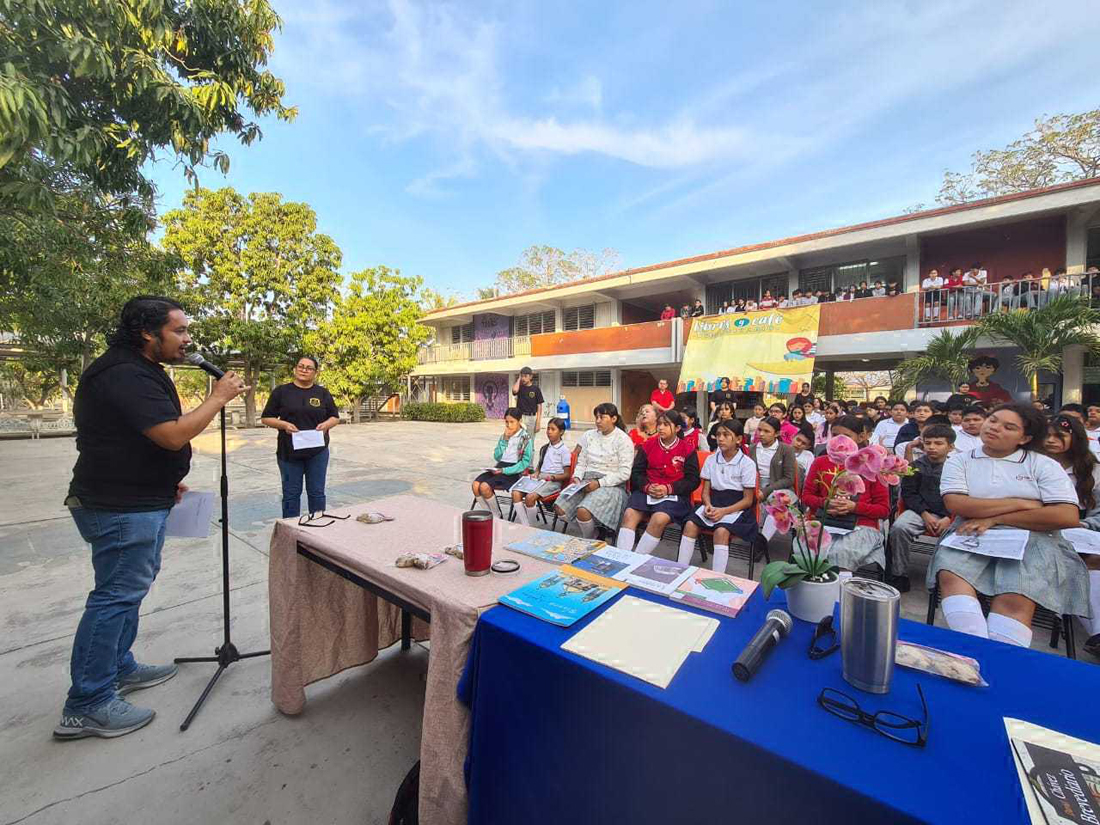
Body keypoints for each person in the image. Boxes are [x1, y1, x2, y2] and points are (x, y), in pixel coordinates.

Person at [57, 296, 250, 740]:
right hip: (119, 506)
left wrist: (163, 482)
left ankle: (118, 667)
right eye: (179, 331)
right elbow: (171, 434)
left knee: (126, 592)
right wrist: (217, 398)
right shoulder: (124, 373)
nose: (186, 339)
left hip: (137, 497)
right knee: (115, 597)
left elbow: (132, 438)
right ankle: (87, 702)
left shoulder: (138, 370)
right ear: (149, 333)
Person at [930, 403, 1088, 647]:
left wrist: (996, 518)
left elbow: (1066, 515)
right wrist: (1023, 503)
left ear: (1024, 437)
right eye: (992, 420)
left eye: (1008, 427)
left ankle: (1001, 659)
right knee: (952, 576)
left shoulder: (1043, 465)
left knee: (1016, 594)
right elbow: (957, 504)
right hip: (970, 530)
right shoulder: (960, 461)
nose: (994, 428)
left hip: (1032, 537)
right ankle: (976, 647)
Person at [801, 416, 889, 573]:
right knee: (811, 552)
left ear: (861, 437)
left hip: (861, 525)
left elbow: (883, 510)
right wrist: (825, 503)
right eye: (834, 436)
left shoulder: (873, 464)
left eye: (847, 437)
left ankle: (839, 594)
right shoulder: (821, 462)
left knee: (840, 553)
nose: (840, 443)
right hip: (823, 519)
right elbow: (807, 497)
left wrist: (854, 507)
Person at [1043, 415, 1100, 658]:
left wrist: (1084, 524)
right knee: (1077, 564)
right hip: (1041, 529)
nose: (1051, 441)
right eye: (1047, 435)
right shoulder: (1030, 463)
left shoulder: (1092, 469)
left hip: (1082, 529)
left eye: (1059, 436)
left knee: (1095, 559)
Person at [261, 356, 341, 518]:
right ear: (295, 369)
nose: (304, 370)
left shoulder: (322, 393)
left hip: (317, 452)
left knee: (317, 493)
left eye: (309, 368)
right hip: (289, 452)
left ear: (315, 373)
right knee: (291, 495)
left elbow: (335, 417)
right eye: (301, 366)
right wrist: (284, 425)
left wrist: (326, 425)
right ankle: (291, 531)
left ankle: (318, 527)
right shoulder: (281, 392)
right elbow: (266, 418)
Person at [679, 418, 758, 572]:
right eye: (719, 434)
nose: (720, 438)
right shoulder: (711, 459)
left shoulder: (746, 463)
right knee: (690, 525)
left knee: (721, 532)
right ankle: (680, 569)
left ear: (739, 439)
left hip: (737, 507)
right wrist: (707, 505)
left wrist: (723, 511)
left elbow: (748, 500)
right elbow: (705, 492)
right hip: (714, 502)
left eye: (726, 435)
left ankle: (717, 576)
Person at [618, 410, 701, 554]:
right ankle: (621, 557)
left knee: (659, 519)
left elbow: (693, 480)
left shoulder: (687, 449)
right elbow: (636, 473)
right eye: (659, 424)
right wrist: (647, 486)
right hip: (647, 491)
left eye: (666, 425)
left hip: (675, 496)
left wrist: (669, 488)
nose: (661, 428)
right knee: (629, 514)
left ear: (677, 428)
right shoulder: (648, 445)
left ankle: (636, 559)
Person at [888, 423, 956, 592]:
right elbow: (909, 494)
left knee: (956, 536)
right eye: (928, 443)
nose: (932, 447)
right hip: (920, 511)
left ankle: (940, 579)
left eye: (938, 443)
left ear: (950, 447)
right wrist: (925, 514)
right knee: (899, 527)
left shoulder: (957, 468)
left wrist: (949, 518)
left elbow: (962, 498)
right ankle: (899, 573)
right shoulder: (915, 466)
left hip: (950, 516)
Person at [470, 408, 532, 518]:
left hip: (514, 471)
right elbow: (497, 456)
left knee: (484, 487)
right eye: (506, 422)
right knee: (475, 485)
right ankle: (489, 513)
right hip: (500, 467)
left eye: (512, 422)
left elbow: (524, 463)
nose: (509, 425)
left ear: (519, 421)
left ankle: (497, 515)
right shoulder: (504, 436)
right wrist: (504, 440)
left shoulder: (526, 438)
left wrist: (504, 470)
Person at [511, 417, 573, 527]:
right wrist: (535, 473)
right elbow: (539, 467)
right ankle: (525, 524)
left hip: (553, 482)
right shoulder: (545, 448)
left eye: (553, 429)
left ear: (561, 432)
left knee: (530, 498)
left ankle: (532, 527)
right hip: (540, 479)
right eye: (548, 429)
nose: (549, 432)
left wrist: (552, 477)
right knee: (515, 493)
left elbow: (567, 474)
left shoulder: (564, 450)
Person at [749, 416, 797, 501]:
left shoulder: (786, 450)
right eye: (759, 430)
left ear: (777, 433)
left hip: (779, 489)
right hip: (754, 488)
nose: (761, 434)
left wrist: (766, 491)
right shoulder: (751, 449)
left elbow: (789, 479)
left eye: (766, 431)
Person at [510, 367, 545, 437]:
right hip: (520, 417)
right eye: (522, 376)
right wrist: (519, 379)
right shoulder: (520, 388)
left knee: (530, 440)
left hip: (531, 418)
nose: (523, 378)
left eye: (525, 376)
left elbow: (539, 406)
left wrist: (538, 422)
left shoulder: (536, 389)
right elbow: (514, 391)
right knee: (518, 438)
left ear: (531, 377)